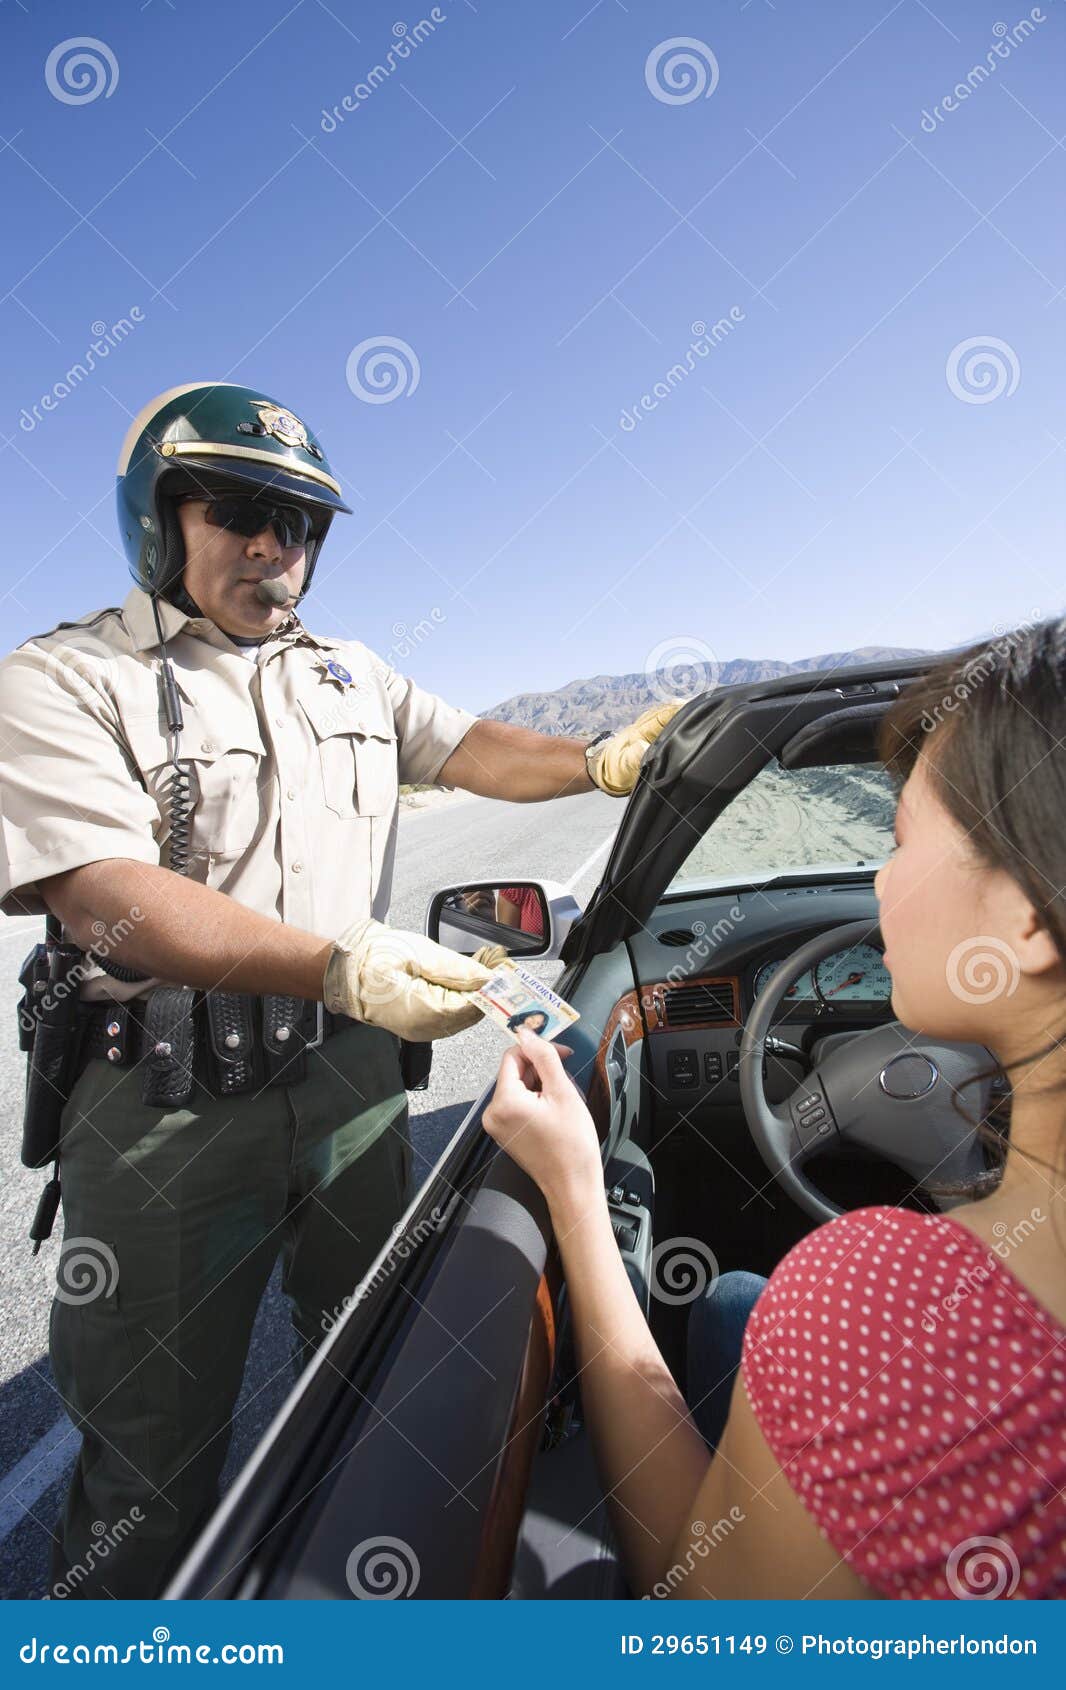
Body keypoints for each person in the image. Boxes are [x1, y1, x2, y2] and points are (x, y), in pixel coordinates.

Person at [0, 381, 682, 1598]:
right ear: (158, 519)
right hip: (168, 1108)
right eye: (241, 512)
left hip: (353, 1076)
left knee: (371, 1378)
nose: (276, 547)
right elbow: (104, 894)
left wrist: (599, 759)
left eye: (301, 523)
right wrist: (338, 964)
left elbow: (470, 748)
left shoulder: (351, 675)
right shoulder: (67, 677)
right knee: (149, 1475)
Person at [483, 617, 1066, 1599]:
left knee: (728, 1304)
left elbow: (696, 1598)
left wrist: (577, 1194)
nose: (877, 878)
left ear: (1024, 914)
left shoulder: (874, 1306)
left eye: (899, 841)